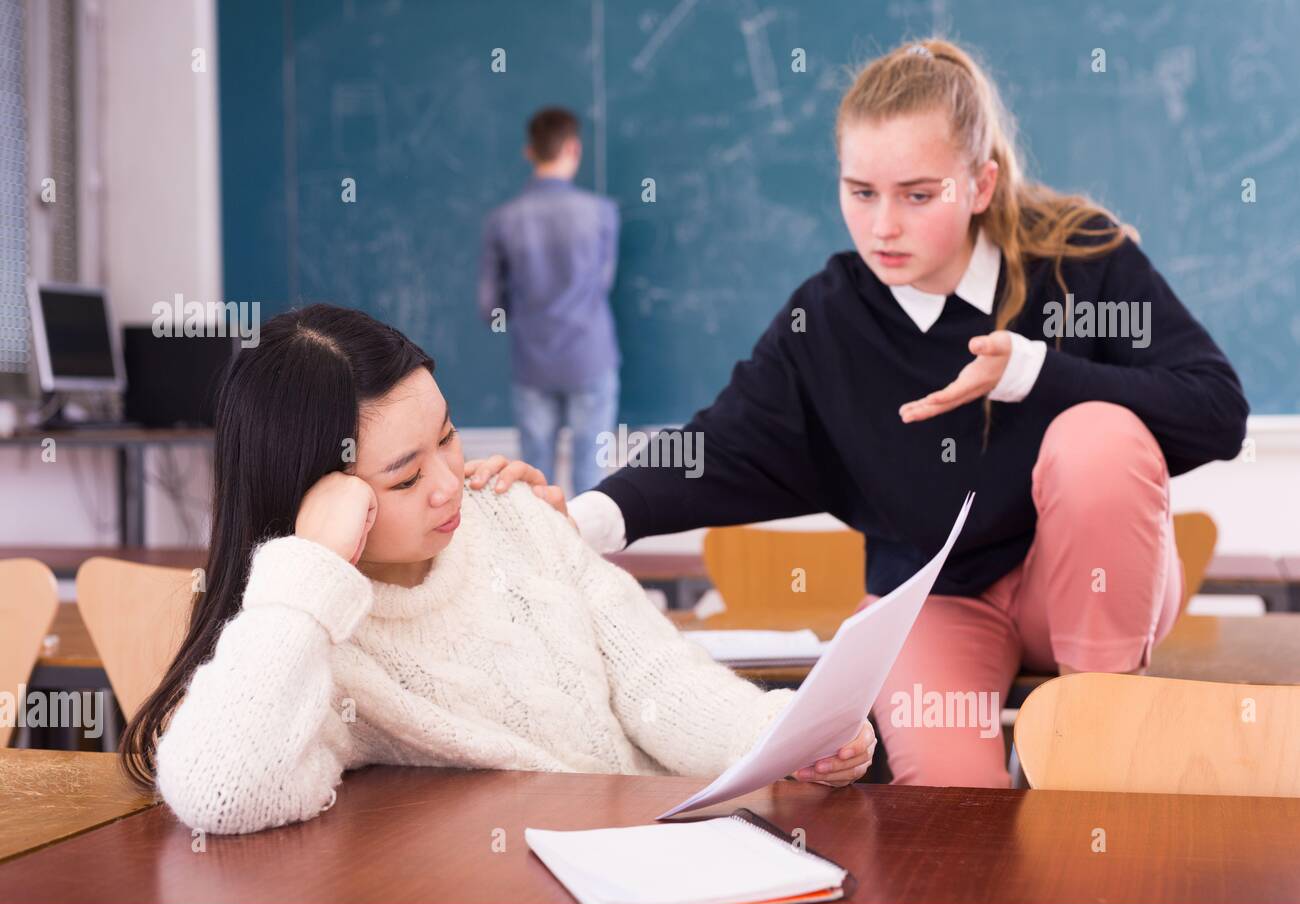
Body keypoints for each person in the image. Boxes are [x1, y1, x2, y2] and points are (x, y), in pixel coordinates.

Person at [509, 38, 1249, 789]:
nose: (883, 227)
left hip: (1085, 597)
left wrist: (1037, 372)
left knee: (1098, 433)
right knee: (953, 813)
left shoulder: (1081, 258)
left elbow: (1216, 408)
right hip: (937, 601)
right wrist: (585, 517)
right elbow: (721, 442)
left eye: (918, 194)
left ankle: (1100, 748)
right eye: (861, 192)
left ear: (981, 184)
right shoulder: (827, 320)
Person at [119, 304, 873, 835]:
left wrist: (786, 734)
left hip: (653, 845)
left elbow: (656, 677)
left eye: (446, 436)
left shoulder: (507, 513)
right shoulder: (311, 631)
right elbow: (221, 791)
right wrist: (311, 569)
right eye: (406, 477)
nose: (450, 483)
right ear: (318, 496)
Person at [478, 106, 620, 495]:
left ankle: (540, 554)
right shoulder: (602, 214)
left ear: (529, 152)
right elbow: (603, 282)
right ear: (574, 148)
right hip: (590, 356)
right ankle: (584, 551)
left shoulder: (503, 220)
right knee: (590, 472)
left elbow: (489, 307)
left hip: (532, 361)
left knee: (531, 481)